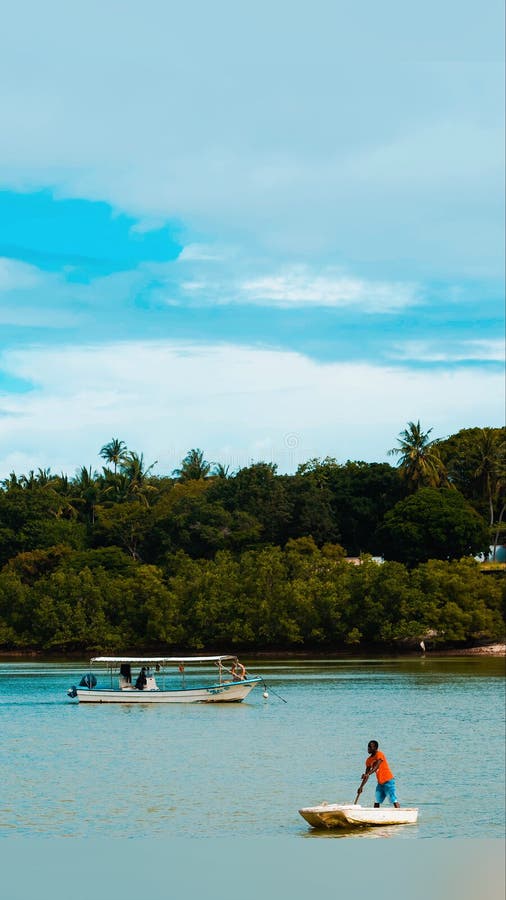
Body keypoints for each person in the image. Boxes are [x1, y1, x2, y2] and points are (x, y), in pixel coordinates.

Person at [363, 740, 400, 808]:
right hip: (380, 783)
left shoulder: (379, 754)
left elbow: (377, 766)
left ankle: (401, 814)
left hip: (388, 781)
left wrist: (368, 774)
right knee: (377, 801)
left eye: (370, 747)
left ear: (375, 748)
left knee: (393, 799)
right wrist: (361, 787)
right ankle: (375, 816)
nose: (368, 749)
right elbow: (366, 775)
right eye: (368, 747)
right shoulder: (368, 760)